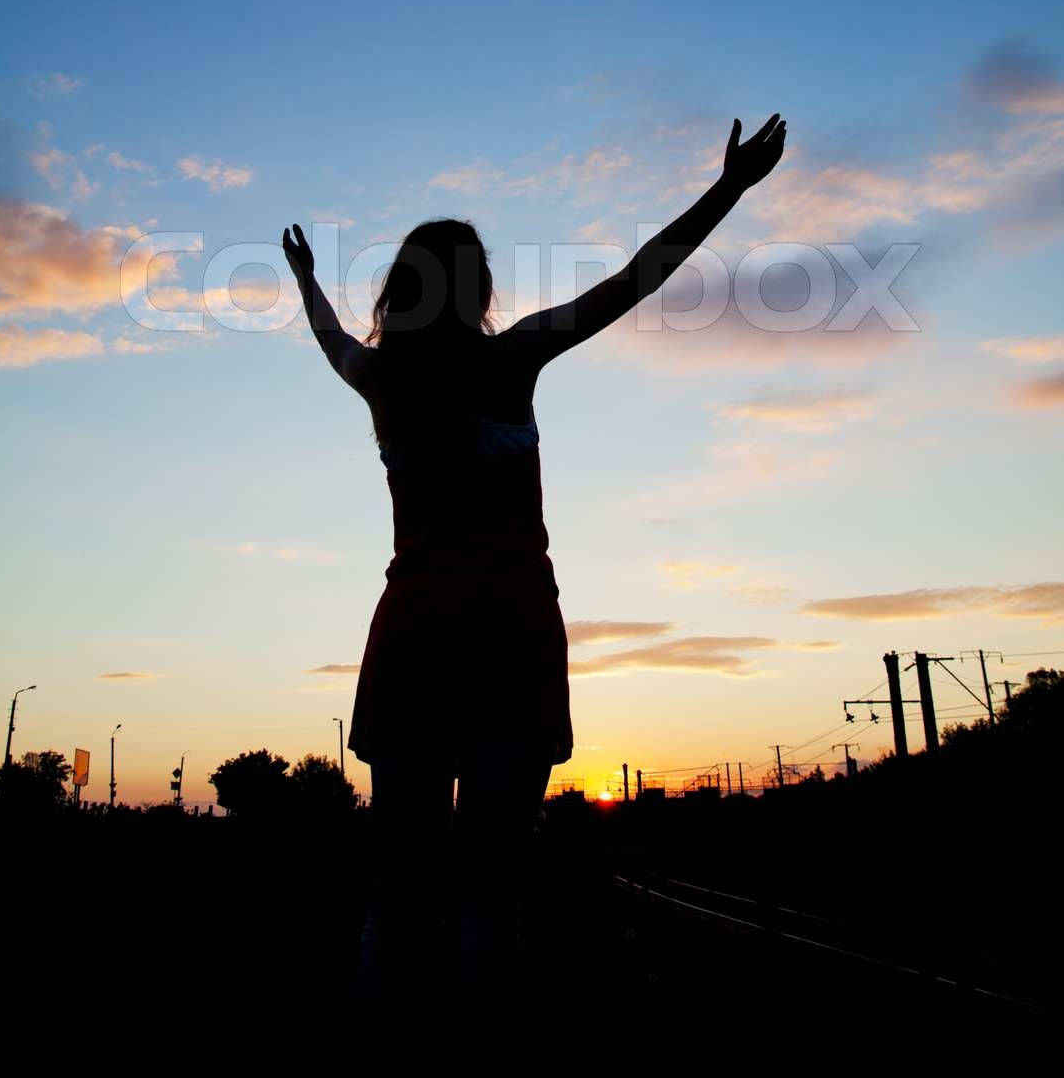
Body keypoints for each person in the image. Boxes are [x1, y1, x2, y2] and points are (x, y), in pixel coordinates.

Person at [282, 112, 786, 1010]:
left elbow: (328, 339)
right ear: (478, 291)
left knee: (394, 891)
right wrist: (729, 189)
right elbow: (636, 280)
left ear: (398, 292)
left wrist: (308, 282)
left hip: (412, 635)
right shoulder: (514, 357)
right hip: (510, 631)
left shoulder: (377, 379)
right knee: (486, 894)